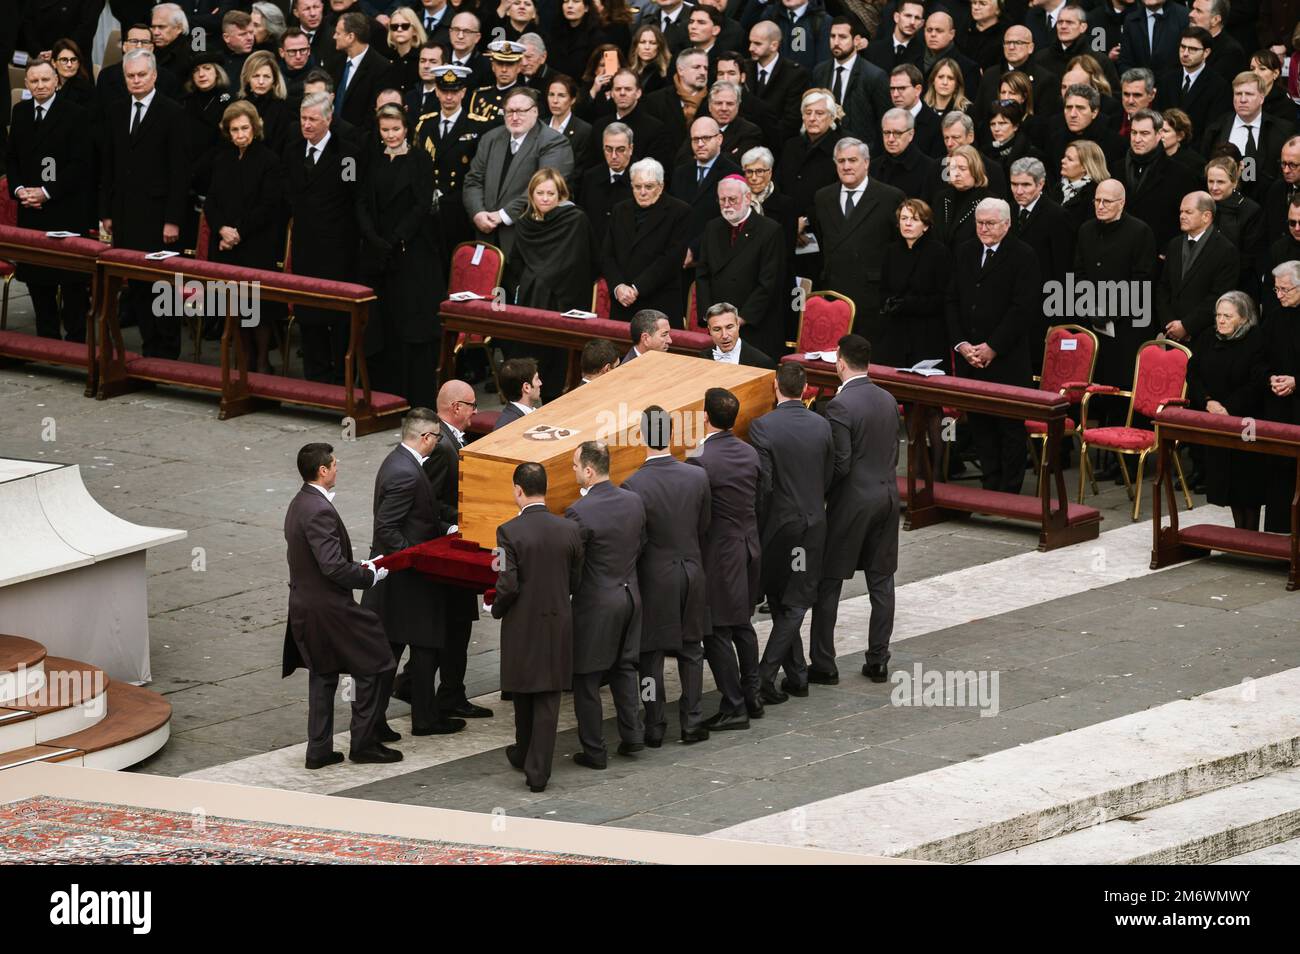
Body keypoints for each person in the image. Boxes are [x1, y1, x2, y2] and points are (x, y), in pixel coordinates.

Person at [283, 442, 400, 768]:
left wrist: (362, 564)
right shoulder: (319, 510)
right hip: (329, 609)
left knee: (324, 674)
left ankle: (318, 750)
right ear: (322, 470)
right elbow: (332, 566)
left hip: (306, 606)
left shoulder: (299, 503)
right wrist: (370, 574)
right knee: (376, 663)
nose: (338, 466)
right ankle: (364, 743)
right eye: (334, 463)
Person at [359, 409, 467, 739]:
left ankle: (410, 717)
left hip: (403, 581)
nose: (437, 443)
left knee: (415, 648)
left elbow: (417, 517)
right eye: (435, 437)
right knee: (415, 648)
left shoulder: (400, 464)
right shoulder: (406, 473)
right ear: (424, 438)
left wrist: (447, 526)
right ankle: (393, 722)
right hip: (407, 580)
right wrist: (414, 558)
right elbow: (387, 528)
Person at [809, 334, 901, 684]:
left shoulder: (839, 406)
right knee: (882, 582)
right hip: (888, 496)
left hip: (852, 503)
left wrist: (820, 491)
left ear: (841, 362)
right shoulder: (888, 399)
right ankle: (878, 659)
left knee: (829, 581)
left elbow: (841, 463)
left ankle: (824, 663)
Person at [493, 462, 584, 792]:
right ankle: (537, 767)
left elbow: (506, 583)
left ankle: (524, 752)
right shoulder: (570, 529)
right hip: (558, 621)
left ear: (518, 489)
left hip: (521, 624)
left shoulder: (506, 532)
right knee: (548, 697)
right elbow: (576, 578)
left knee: (523, 692)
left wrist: (496, 608)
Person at [623, 406, 712, 745]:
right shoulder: (696, 476)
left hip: (654, 577)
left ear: (643, 436)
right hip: (691, 569)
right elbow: (704, 525)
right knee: (692, 648)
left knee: (651, 656)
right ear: (671, 434)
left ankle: (654, 724)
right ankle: (691, 722)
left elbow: (637, 539)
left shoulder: (634, 484)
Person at [945, 197, 1042, 493]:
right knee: (980, 424)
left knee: (1009, 427)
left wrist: (992, 346)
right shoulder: (964, 251)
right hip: (969, 356)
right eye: (979, 223)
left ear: (1007, 224)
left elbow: (1022, 308)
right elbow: (952, 300)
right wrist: (962, 344)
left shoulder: (1023, 255)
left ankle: (1009, 490)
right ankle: (990, 484)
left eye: (990, 223)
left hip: (1006, 358)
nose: (983, 229)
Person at [750, 362, 834, 702]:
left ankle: (764, 675)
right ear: (806, 388)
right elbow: (829, 474)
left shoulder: (762, 427)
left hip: (778, 527)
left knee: (785, 598)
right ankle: (796, 674)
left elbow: (764, 486)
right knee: (793, 598)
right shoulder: (821, 426)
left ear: (775, 386)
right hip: (812, 524)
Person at [99, 48, 190, 360]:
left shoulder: (173, 112)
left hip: (158, 214)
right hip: (125, 212)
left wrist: (173, 219)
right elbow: (108, 164)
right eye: (130, 76)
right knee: (136, 283)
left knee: (162, 284)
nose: (136, 80)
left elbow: (180, 171)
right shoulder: (115, 110)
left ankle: (167, 349)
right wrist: (107, 212)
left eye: (141, 75)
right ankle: (149, 345)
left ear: (154, 76)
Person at [565, 441, 647, 768]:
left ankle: (595, 751)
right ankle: (632, 736)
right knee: (625, 668)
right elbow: (640, 544)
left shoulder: (578, 512)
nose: (572, 471)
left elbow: (574, 564)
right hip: (630, 596)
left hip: (596, 603)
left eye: (574, 466)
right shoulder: (634, 501)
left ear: (588, 470)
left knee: (586, 678)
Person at [356, 103, 441, 408]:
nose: (391, 135)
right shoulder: (373, 160)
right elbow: (362, 202)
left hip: (411, 254)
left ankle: (415, 398)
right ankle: (385, 395)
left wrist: (395, 238)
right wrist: (374, 238)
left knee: (411, 325)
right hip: (378, 256)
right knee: (383, 324)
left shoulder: (420, 160)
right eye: (385, 130)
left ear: (406, 129)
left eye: (396, 129)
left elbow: (421, 206)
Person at [689, 387, 763, 728]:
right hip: (750, 547)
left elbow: (698, 515)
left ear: (705, 417)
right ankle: (753, 694)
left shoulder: (700, 460)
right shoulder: (750, 453)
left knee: (716, 630)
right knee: (743, 625)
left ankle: (734, 706)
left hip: (720, 554)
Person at [5, 59, 92, 343]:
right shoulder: (20, 112)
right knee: (38, 278)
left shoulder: (76, 114)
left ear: (56, 81)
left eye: (45, 80)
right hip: (30, 210)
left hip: (65, 208)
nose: (40, 86)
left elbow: (80, 164)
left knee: (72, 281)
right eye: (34, 81)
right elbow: (13, 158)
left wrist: (46, 190)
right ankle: (47, 338)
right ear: (27, 84)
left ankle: (77, 339)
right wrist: (19, 190)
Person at [282, 90, 363, 384]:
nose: (307, 124)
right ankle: (315, 377)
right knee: (309, 314)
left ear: (328, 119)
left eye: (313, 119)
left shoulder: (347, 154)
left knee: (339, 317)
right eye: (303, 119)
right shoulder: (292, 150)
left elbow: (354, 198)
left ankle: (342, 378)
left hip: (338, 250)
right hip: (305, 247)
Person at [204, 101, 286, 374]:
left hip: (256, 243)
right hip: (226, 243)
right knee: (234, 306)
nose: (240, 134)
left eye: (245, 128)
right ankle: (243, 357)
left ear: (255, 127)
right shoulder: (222, 158)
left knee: (258, 307)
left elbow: (268, 205)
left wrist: (237, 232)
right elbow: (211, 202)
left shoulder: (269, 160)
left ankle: (262, 361)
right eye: (234, 129)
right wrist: (221, 230)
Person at [812, 137, 906, 344]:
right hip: (834, 295)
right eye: (841, 161)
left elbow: (898, 247)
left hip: (872, 298)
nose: (846, 166)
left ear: (866, 162)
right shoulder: (823, 197)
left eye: (852, 160)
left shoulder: (890, 197)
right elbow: (823, 239)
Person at [463, 86, 575, 257]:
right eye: (509, 111)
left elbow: (544, 189)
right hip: (486, 237)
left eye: (521, 111)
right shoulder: (491, 138)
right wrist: (478, 213)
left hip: (528, 239)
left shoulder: (554, 142)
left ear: (535, 111)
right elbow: (473, 180)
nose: (514, 117)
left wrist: (503, 215)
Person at [1188, 291, 1268, 529]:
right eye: (1218, 315)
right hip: (1216, 419)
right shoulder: (1207, 338)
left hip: (1247, 421)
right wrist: (1208, 401)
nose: (1221, 321)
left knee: (1247, 485)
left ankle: (1250, 537)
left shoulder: (1257, 341)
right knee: (1228, 484)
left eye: (1228, 316)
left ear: (1244, 318)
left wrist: (1228, 408)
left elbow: (1256, 382)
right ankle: (1237, 535)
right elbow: (1192, 372)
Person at [695, 175, 786, 357]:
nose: (727, 204)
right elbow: (702, 275)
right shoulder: (712, 228)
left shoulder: (769, 230)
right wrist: (711, 317)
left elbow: (769, 282)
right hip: (721, 327)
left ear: (747, 198)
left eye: (732, 199)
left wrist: (740, 319)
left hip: (754, 323)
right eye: (722, 200)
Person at [603, 157, 691, 323]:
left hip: (659, 305)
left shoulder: (679, 212)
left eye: (648, 187)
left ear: (661, 186)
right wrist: (618, 287)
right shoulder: (619, 210)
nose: (642, 192)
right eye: (637, 187)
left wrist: (637, 288)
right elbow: (608, 255)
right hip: (623, 303)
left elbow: (671, 259)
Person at [1008, 157, 1076, 347]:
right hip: (1011, 307)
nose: (1019, 191)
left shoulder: (1057, 216)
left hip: (1043, 309)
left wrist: (1057, 321)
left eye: (1026, 185)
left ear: (1040, 184)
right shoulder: (1007, 211)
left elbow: (1064, 270)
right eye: (1014, 184)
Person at [1157, 191, 1240, 344]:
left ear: (1206, 216)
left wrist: (1187, 326)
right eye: (1181, 212)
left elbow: (1219, 297)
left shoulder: (1226, 250)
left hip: (1205, 336)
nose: (1182, 216)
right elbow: (1163, 287)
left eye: (1188, 212)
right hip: (1172, 333)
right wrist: (1170, 324)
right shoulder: (1174, 245)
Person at [878, 198, 952, 369]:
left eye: (914, 219)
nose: (908, 224)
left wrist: (909, 304)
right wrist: (888, 303)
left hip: (927, 334)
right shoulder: (891, 251)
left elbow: (943, 297)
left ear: (925, 226)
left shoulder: (939, 252)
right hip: (896, 332)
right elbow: (883, 288)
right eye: (904, 219)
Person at [1201, 70, 1295, 199]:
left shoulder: (1283, 131)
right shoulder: (1216, 129)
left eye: (1249, 94)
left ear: (1262, 98)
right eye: (1238, 94)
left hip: (1268, 203)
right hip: (1226, 206)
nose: (1243, 99)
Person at [1121, 107, 1199, 249]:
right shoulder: (1116, 169)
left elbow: (1190, 218)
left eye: (1144, 133)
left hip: (1158, 254)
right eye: (1134, 133)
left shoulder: (1180, 174)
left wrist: (1170, 249)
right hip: (1121, 249)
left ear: (1158, 135)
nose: (1137, 139)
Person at [669, 115, 742, 260]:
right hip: (679, 255)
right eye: (695, 139)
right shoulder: (680, 172)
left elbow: (729, 220)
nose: (700, 144)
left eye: (706, 138)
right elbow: (673, 214)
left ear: (719, 139)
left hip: (716, 255)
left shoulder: (733, 173)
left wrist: (694, 249)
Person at [814, 16, 890, 151]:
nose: (836, 42)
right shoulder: (820, 71)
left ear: (856, 40)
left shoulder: (875, 76)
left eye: (842, 37)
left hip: (861, 152)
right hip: (824, 150)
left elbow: (883, 122)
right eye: (832, 36)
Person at [1262, 262, 1300, 532]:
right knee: (1277, 469)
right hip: (1278, 404)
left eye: (1285, 289)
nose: (1279, 295)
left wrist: (1297, 382)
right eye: (1276, 289)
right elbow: (1259, 356)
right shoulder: (1274, 316)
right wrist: (1270, 378)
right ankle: (1277, 532)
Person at [1205, 155, 1266, 296]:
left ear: (1233, 182)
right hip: (1205, 286)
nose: (1214, 187)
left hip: (1239, 287)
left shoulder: (1251, 210)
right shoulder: (1202, 205)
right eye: (1210, 181)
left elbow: (1249, 258)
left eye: (1220, 182)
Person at [1155, 26, 1229, 134]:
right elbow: (1158, 117)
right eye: (1182, 47)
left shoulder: (1218, 86)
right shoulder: (1167, 80)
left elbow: (1212, 127)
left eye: (1192, 49)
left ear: (1206, 52)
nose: (1185, 53)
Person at [747, 19, 812, 143]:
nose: (751, 48)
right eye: (750, 42)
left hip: (777, 144)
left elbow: (791, 121)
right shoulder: (745, 68)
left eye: (757, 43)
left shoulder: (794, 74)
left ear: (774, 45)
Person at [330, 11, 391, 126]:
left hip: (358, 138)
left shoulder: (381, 68)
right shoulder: (336, 61)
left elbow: (373, 114)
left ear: (350, 37)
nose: (334, 37)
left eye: (338, 33)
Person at [578, 122, 634, 245]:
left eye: (620, 149)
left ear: (631, 149)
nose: (613, 156)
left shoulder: (640, 180)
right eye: (608, 149)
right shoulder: (590, 177)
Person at [932, 144, 992, 246]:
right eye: (953, 168)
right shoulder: (941, 198)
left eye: (962, 169)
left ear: (975, 170)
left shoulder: (988, 202)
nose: (956, 173)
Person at [873, 107, 939, 200]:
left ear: (911, 134)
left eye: (897, 133)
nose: (891, 139)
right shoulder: (873, 167)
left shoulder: (930, 169)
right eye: (887, 132)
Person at [1051, 138, 1108, 228]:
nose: (1063, 161)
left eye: (1069, 159)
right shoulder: (1058, 187)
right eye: (1064, 157)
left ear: (1085, 166)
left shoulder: (1096, 193)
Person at [698, 302, 776, 367]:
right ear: (709, 330)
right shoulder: (702, 358)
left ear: (738, 325)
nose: (724, 335)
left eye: (729, 327)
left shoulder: (762, 362)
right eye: (717, 329)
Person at [546, 73, 593, 179]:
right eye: (551, 94)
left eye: (561, 95)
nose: (555, 101)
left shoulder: (584, 131)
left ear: (573, 99)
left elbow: (580, 171)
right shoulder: (539, 126)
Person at [494, 357, 543, 428]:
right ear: (526, 387)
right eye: (537, 379)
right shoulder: (508, 426)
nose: (540, 383)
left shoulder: (518, 415)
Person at [627, 23, 671, 95]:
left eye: (652, 43)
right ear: (636, 46)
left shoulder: (666, 74)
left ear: (659, 47)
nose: (647, 47)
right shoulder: (629, 72)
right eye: (642, 42)